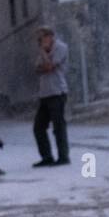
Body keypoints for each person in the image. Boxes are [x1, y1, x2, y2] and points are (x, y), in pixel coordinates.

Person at [32, 26, 70, 167]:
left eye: (41, 38)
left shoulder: (60, 48)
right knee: (38, 127)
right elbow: (37, 69)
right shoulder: (43, 51)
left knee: (58, 126)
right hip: (45, 93)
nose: (40, 42)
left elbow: (49, 67)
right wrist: (43, 58)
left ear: (49, 36)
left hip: (57, 91)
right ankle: (47, 156)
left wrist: (43, 52)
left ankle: (63, 156)